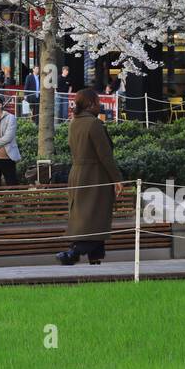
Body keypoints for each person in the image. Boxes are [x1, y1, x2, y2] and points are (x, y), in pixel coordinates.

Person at [57, 88, 124, 266]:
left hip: (77, 173)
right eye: (98, 101)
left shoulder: (74, 122)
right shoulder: (94, 124)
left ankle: (95, 256)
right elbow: (105, 155)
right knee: (96, 216)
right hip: (95, 176)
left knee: (87, 216)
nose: (100, 105)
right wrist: (117, 179)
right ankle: (74, 252)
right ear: (90, 104)